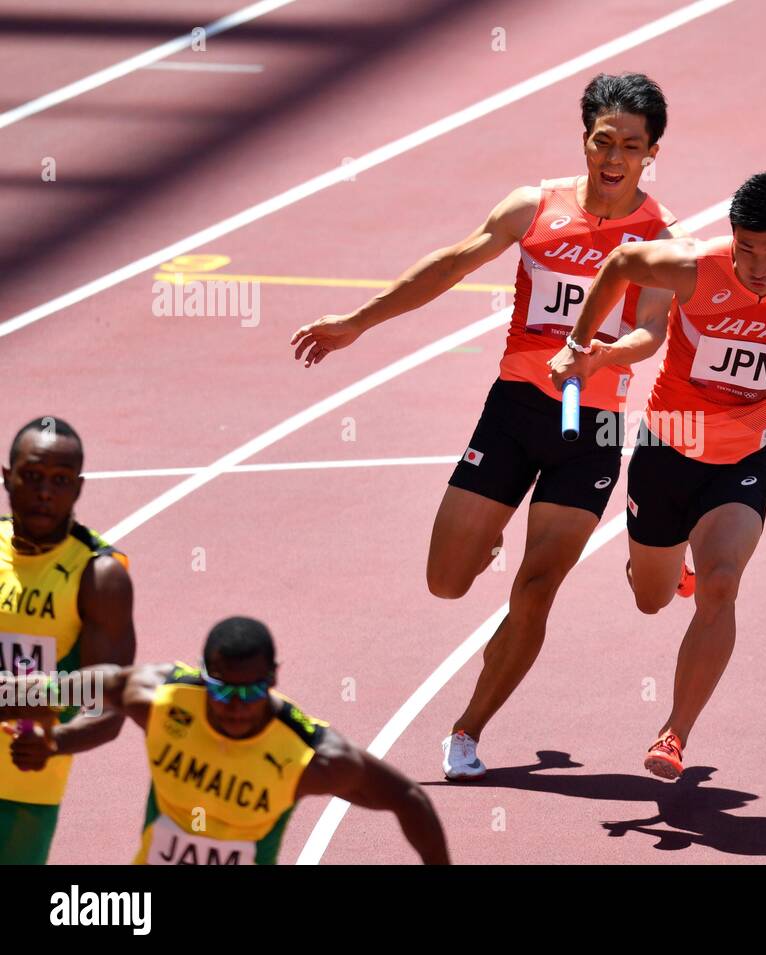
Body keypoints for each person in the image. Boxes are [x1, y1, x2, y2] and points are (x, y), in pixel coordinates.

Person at [289, 74, 682, 780]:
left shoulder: (659, 237)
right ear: (584, 138)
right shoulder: (534, 207)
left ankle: (468, 729)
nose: (614, 156)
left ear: (653, 151)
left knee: (535, 589)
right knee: (446, 580)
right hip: (513, 412)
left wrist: (602, 353)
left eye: (631, 145)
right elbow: (449, 265)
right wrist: (359, 322)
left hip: (588, 427)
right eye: (603, 140)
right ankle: (493, 521)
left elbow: (652, 330)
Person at [549, 171, 766, 778]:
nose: (758, 266)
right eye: (746, 249)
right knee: (651, 599)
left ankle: (674, 734)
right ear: (730, 237)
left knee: (722, 586)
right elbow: (620, 262)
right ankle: (668, 570)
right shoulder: (694, 267)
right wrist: (580, 340)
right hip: (669, 445)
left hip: (744, 459)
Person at [0, 616, 450, 864]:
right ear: (203, 675)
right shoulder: (158, 698)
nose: (236, 706)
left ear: (274, 678)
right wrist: (54, 739)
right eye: (222, 691)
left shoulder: (310, 756)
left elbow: (410, 798)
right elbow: (54, 688)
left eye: (252, 692)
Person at [0, 416, 135, 864]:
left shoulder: (99, 576)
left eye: (59, 481)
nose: (44, 492)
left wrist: (54, 741)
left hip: (21, 793)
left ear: (77, 489)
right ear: (7, 478)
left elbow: (110, 702)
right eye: (33, 477)